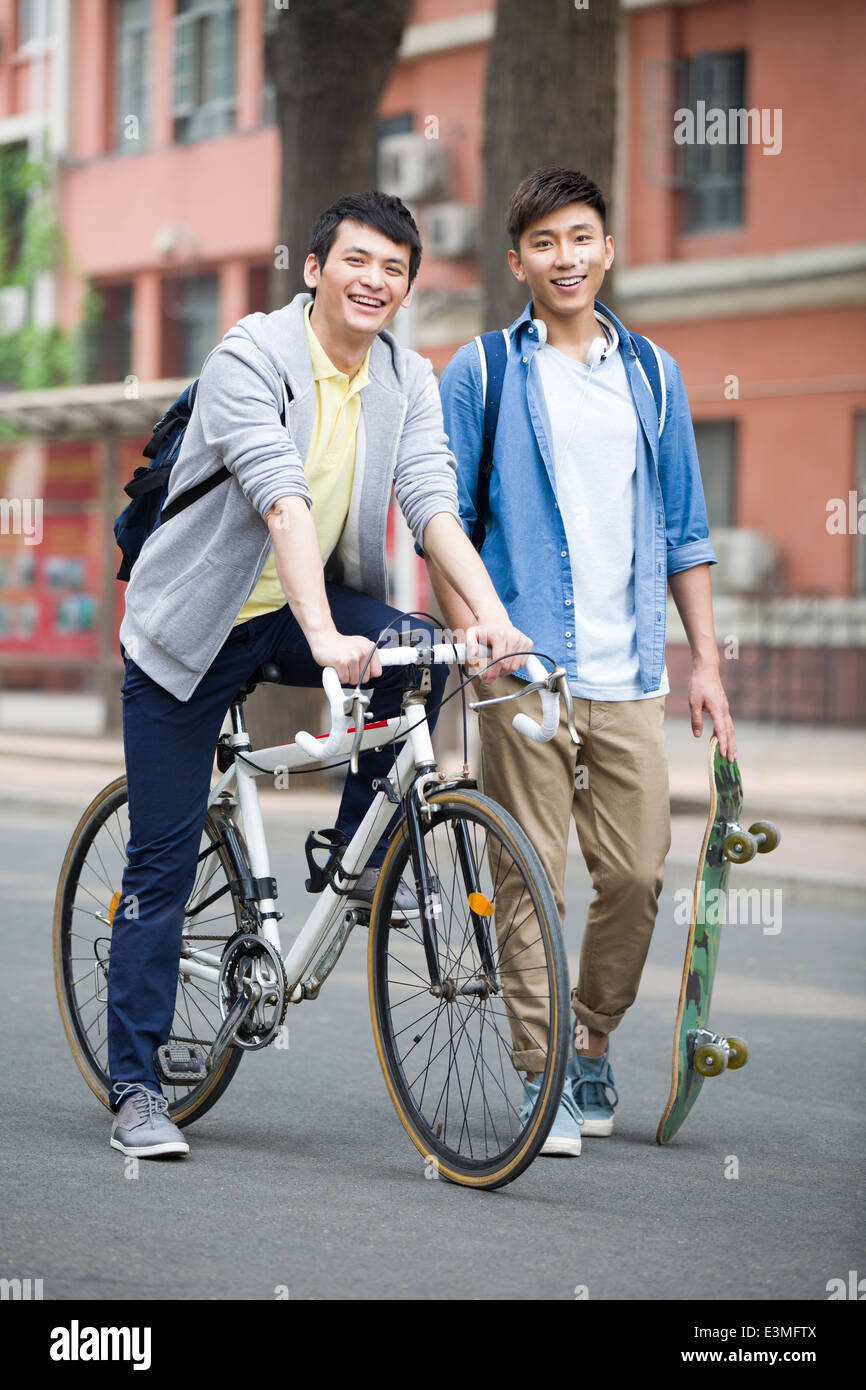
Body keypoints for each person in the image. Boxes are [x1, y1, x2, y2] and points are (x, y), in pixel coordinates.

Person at [108, 190, 530, 1160]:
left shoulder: (404, 376)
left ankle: (353, 857)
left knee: (415, 653)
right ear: (314, 268)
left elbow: (429, 501)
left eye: (394, 267)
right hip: (194, 631)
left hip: (306, 608)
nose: (375, 278)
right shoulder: (250, 358)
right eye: (357, 259)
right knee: (161, 866)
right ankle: (136, 1085)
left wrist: (492, 619)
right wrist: (325, 635)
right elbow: (283, 501)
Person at [430, 166, 736, 1157]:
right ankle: (541, 1073)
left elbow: (684, 529)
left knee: (636, 874)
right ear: (516, 260)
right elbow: (445, 525)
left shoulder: (652, 373)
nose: (564, 258)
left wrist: (705, 667)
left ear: (605, 250)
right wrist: (474, 644)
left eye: (580, 238)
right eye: (544, 243)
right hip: (524, 671)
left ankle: (592, 1037)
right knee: (526, 876)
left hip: (629, 675)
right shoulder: (480, 370)